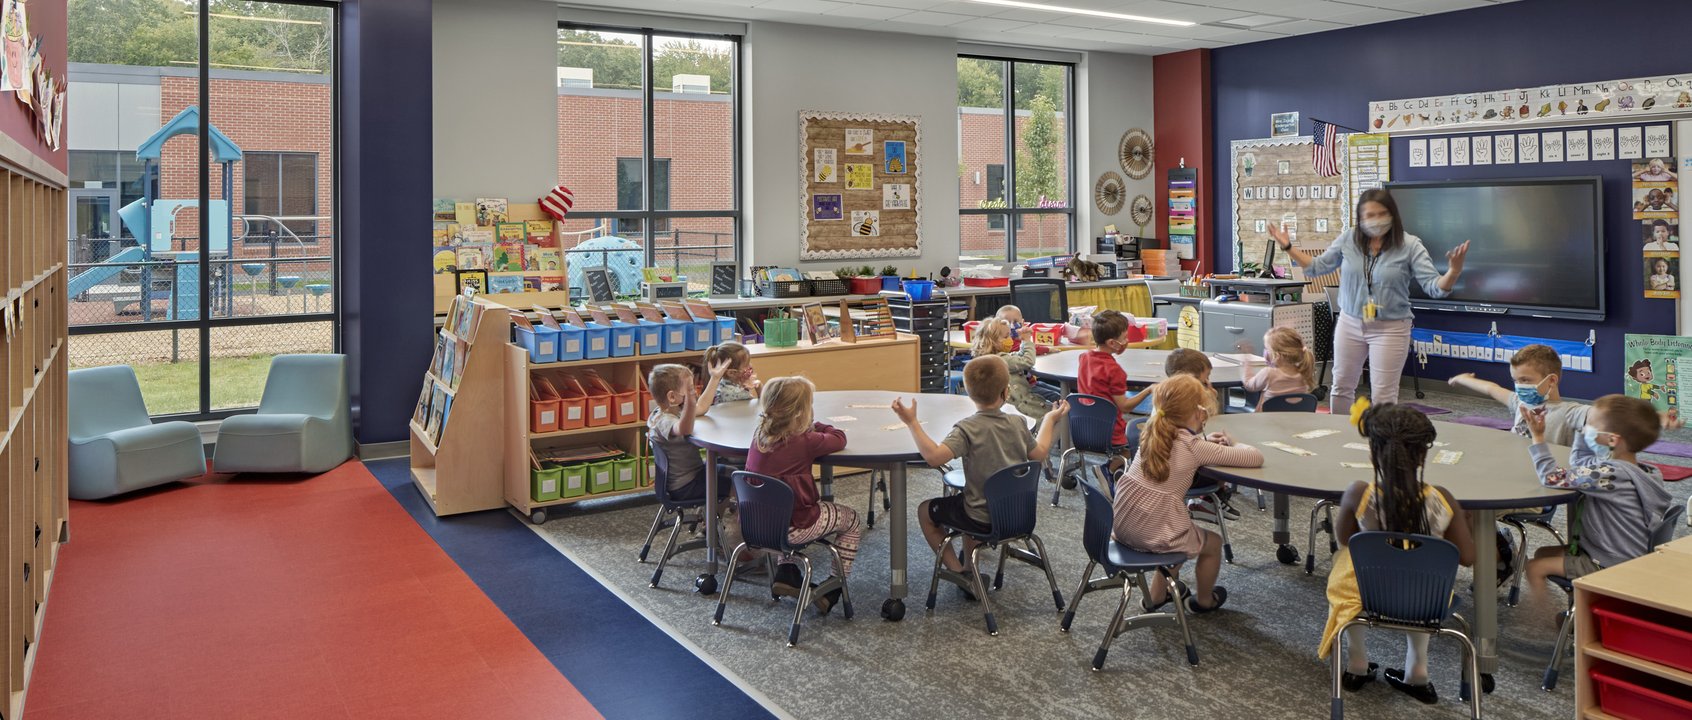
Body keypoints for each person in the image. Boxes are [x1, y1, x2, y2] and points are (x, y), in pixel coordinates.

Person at [1320, 404, 1474, 705]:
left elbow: (1344, 540)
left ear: (1373, 453)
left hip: (1366, 595)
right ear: (1422, 455)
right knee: (1423, 577)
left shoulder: (1358, 492)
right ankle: (1418, 673)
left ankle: (1356, 666)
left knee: (1345, 574)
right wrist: (1466, 522)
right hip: (1425, 600)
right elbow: (1468, 557)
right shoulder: (1443, 499)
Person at [1269, 188, 1469, 410]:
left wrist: (1454, 272)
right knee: (1341, 386)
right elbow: (1317, 267)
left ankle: (1380, 443)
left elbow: (1435, 288)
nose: (1375, 220)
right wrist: (1288, 247)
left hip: (1390, 327)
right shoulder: (1349, 239)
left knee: (1384, 394)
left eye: (1380, 214)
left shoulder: (1410, 245)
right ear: (1360, 218)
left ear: (1392, 214)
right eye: (1368, 215)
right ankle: (1338, 437)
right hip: (1350, 322)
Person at [893, 355, 1067, 592]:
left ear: (967, 391)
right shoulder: (1017, 423)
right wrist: (1049, 418)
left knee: (926, 510)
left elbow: (934, 457)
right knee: (969, 498)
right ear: (1006, 392)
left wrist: (912, 422)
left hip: (981, 519)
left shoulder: (967, 429)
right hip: (1018, 515)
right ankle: (970, 567)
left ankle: (959, 572)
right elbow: (1040, 452)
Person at [1111, 375, 1262, 615]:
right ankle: (1204, 601)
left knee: (1178, 532)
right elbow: (1254, 457)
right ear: (1197, 412)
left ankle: (1156, 597)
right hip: (1155, 533)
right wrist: (1233, 443)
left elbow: (1182, 448)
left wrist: (1202, 440)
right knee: (1212, 543)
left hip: (1124, 527)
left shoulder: (1151, 435)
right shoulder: (1193, 447)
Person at [1521, 395, 1671, 594]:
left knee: (1534, 568)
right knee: (1542, 553)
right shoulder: (1640, 471)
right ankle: (1577, 615)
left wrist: (1538, 437)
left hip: (1611, 562)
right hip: (1625, 553)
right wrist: (1585, 433)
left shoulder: (1609, 474)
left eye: (1592, 424)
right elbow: (1581, 464)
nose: (1587, 427)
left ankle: (1543, 622)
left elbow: (1552, 477)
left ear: (1611, 439)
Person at [745, 376, 857, 611]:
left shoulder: (759, 435)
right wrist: (817, 425)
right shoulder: (805, 440)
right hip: (794, 528)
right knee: (852, 520)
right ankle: (835, 587)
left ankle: (787, 572)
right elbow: (839, 438)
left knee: (782, 505)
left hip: (757, 525)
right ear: (800, 412)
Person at [1077, 310, 1153, 474]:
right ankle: (1109, 470)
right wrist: (1148, 391)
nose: (1126, 341)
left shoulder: (1084, 358)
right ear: (1112, 343)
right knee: (1146, 439)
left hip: (1083, 429)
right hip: (1110, 433)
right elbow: (1125, 407)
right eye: (1124, 338)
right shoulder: (1114, 370)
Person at [969, 318, 1050, 418]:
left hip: (1017, 403)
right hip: (1022, 406)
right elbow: (1027, 361)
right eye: (1006, 336)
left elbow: (1018, 357)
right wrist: (1028, 341)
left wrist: (1023, 341)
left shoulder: (993, 357)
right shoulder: (1000, 360)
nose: (1010, 339)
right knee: (1055, 414)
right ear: (992, 341)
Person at [1238, 326, 1316, 410]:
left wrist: (1247, 363)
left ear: (1277, 356)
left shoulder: (1269, 373)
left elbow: (1249, 385)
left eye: (1267, 349)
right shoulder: (1304, 371)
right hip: (1296, 420)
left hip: (1270, 420)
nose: (1265, 352)